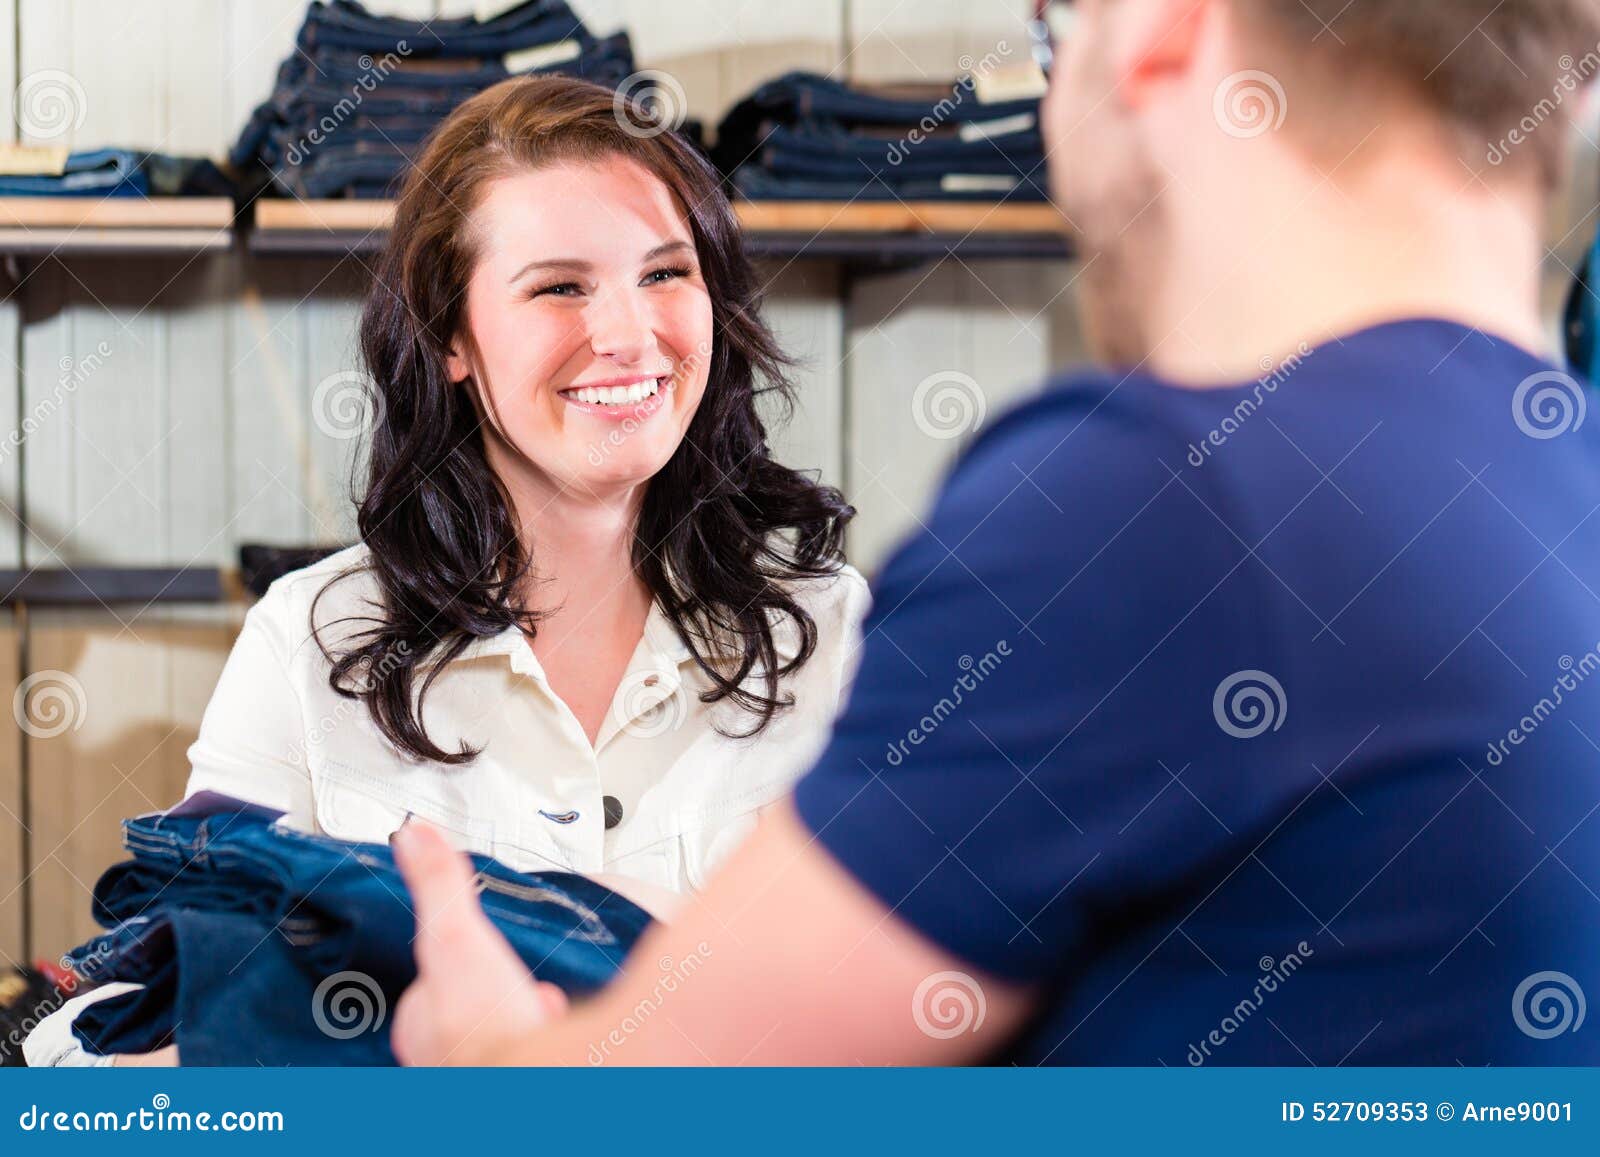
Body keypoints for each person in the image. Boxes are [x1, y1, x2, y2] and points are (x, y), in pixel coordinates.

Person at [385, 0, 1600, 1066]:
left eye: (1051, 29)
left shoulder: (1162, 507)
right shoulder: (1559, 477)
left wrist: (483, 1046)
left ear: (1159, 22)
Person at [23, 74, 869, 1068]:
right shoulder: (311, 638)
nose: (630, 335)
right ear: (450, 336)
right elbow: (141, 1021)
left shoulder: (835, 637)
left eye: (666, 273)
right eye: (560, 287)